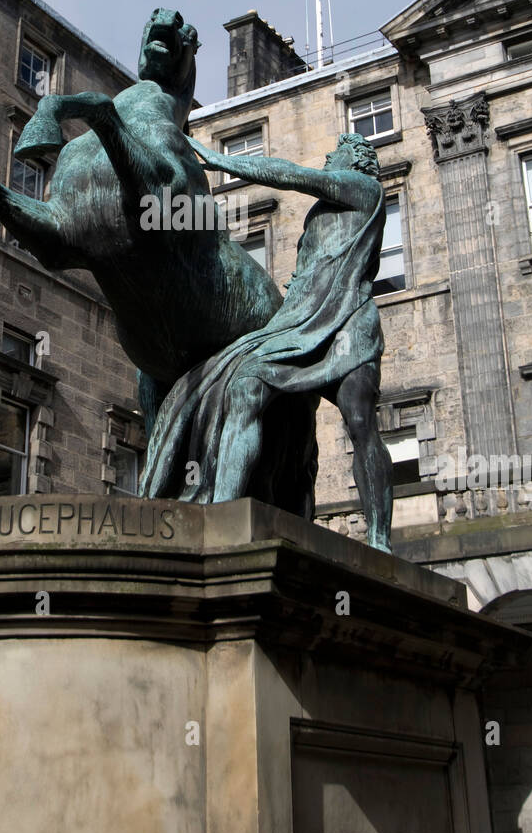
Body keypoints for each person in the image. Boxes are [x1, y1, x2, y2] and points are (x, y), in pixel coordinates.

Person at [137, 132, 395, 552]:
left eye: (339, 150)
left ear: (358, 159)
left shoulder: (365, 189)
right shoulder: (324, 213)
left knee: (362, 423)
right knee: (243, 386)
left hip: (348, 323)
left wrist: (221, 161)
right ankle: (222, 512)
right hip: (300, 327)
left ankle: (379, 539)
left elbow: (290, 174)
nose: (330, 154)